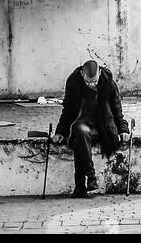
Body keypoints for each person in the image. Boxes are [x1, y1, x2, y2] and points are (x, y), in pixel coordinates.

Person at [54, 58, 126, 197]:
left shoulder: (108, 83)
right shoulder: (73, 82)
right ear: (82, 73)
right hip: (82, 124)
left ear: (99, 73)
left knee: (77, 143)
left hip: (103, 127)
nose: (91, 84)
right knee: (80, 130)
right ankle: (91, 176)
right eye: (88, 81)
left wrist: (122, 129)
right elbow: (67, 110)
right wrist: (60, 132)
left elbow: (117, 108)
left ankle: (80, 187)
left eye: (94, 81)